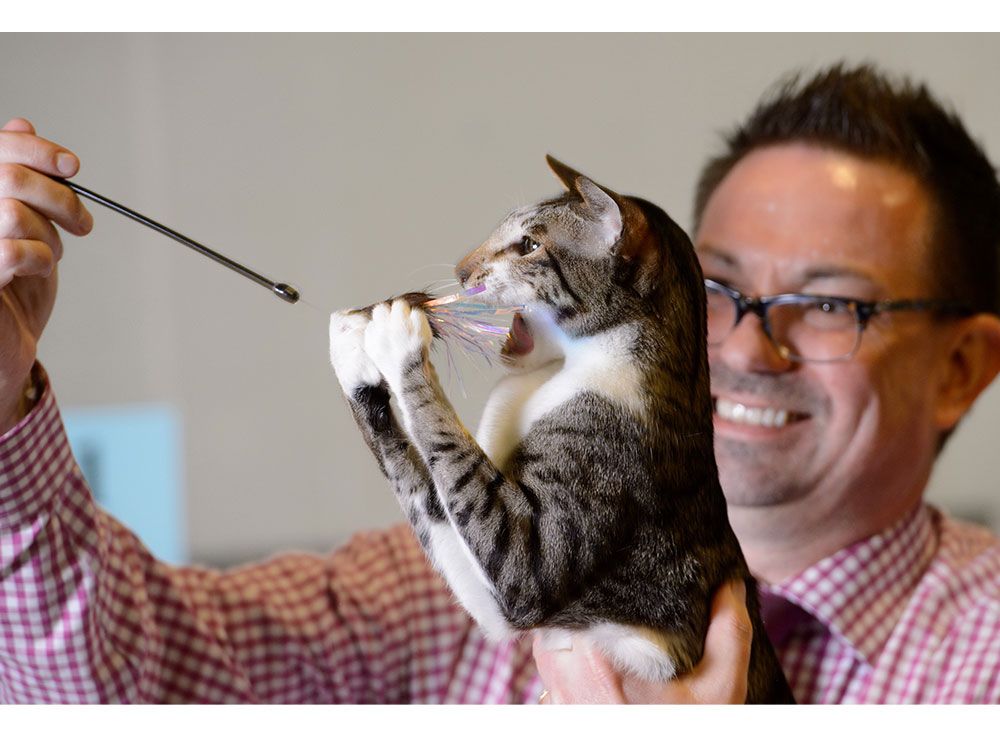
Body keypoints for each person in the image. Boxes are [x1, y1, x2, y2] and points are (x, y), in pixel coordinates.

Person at [1, 62, 998, 704]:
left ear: (963, 368)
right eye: (718, 286)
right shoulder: (420, 599)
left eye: (830, 304)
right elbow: (115, 683)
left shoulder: (980, 663)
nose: (740, 346)